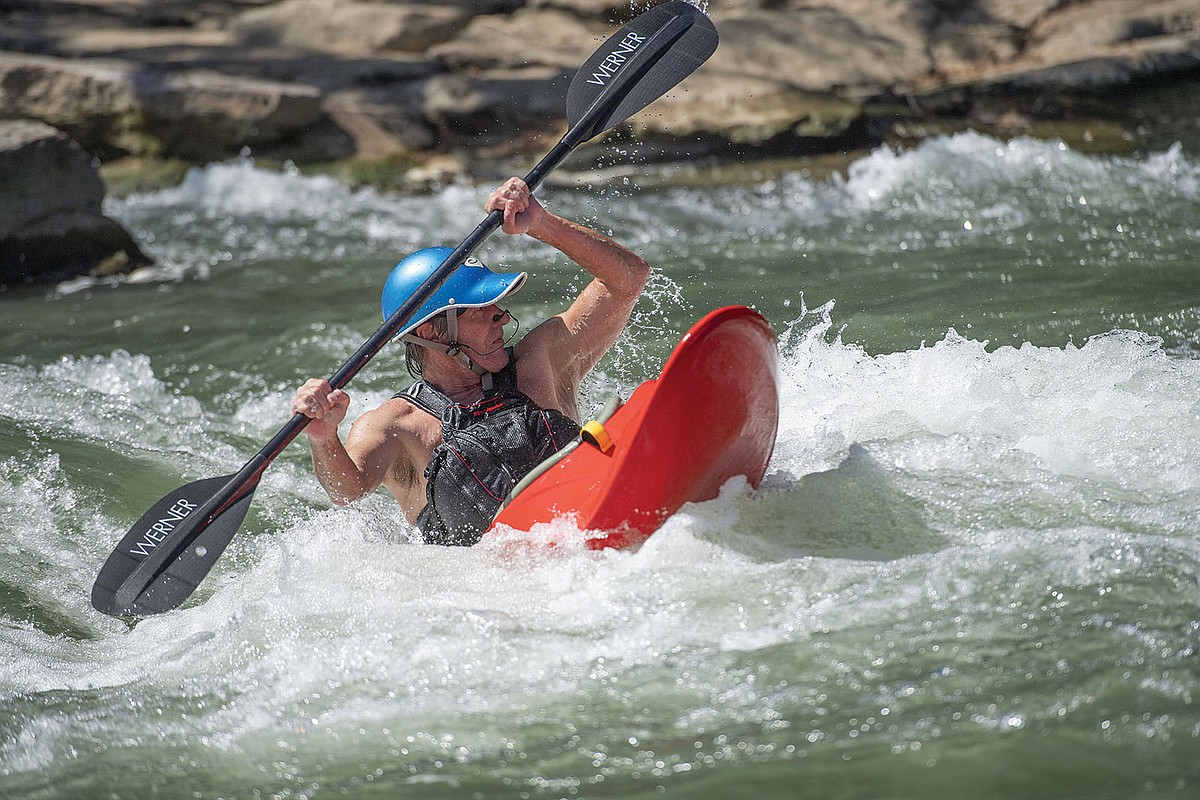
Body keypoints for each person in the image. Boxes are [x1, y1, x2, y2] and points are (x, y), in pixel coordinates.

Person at [292, 177, 649, 545]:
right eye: (481, 309)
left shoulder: (542, 360)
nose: (503, 318)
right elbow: (347, 490)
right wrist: (323, 436)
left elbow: (627, 279)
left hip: (595, 535)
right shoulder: (397, 427)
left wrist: (542, 224)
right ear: (432, 332)